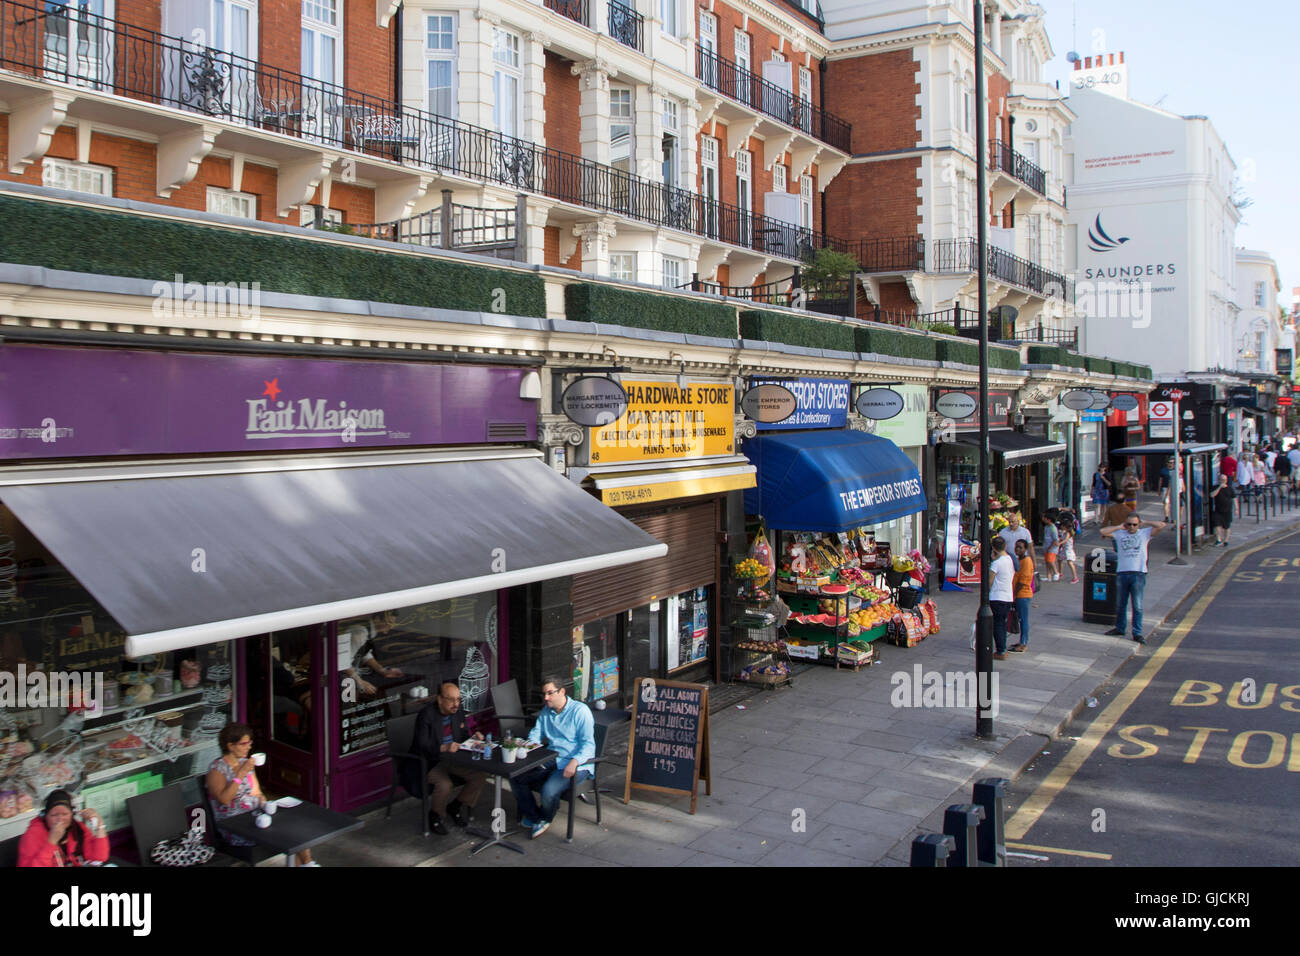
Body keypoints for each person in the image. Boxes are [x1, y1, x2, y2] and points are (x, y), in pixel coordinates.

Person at [207, 722, 316, 866]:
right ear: (230, 746)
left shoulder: (245, 763)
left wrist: (266, 804)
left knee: (295, 826)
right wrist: (241, 773)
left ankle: (308, 863)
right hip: (234, 824)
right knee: (288, 835)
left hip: (256, 816)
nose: (249, 746)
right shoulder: (217, 769)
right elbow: (224, 800)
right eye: (244, 743)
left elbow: (257, 793)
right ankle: (307, 864)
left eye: (250, 742)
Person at [510, 677, 595, 839]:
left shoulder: (580, 711)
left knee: (548, 790)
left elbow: (588, 745)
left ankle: (546, 817)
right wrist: (527, 747)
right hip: (551, 757)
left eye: (550, 693)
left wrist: (575, 762)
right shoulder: (546, 711)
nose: (546, 698)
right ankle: (536, 817)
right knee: (516, 776)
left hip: (575, 762)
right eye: (544, 694)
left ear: (562, 692)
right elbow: (536, 733)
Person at [407, 680, 489, 835]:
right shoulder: (426, 715)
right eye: (451, 700)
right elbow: (421, 745)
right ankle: (435, 816)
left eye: (458, 699)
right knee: (445, 784)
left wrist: (473, 738)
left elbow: (463, 736)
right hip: (430, 762)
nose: (456, 704)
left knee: (479, 776)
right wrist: (444, 747)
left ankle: (455, 806)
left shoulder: (458, 713)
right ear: (439, 699)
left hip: (453, 759)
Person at [1100, 513, 1169, 645]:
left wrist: (1146, 522)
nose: (1131, 527)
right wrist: (1119, 526)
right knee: (1121, 604)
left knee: (1137, 606)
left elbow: (1162, 525)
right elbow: (1103, 531)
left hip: (1138, 573)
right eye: (1129, 524)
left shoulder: (1145, 533)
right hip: (1122, 573)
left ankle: (1137, 633)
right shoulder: (1120, 533)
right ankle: (1120, 628)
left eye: (1134, 524)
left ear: (1138, 524)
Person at [18, 789, 109, 867]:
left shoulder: (78, 828)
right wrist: (51, 842)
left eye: (65, 814)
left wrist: (99, 825)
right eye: (54, 815)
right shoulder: (32, 835)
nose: (60, 819)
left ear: (71, 814)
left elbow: (99, 857)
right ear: (45, 816)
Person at [338, 612, 403, 696]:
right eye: (389, 622)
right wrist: (360, 683)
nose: (391, 626)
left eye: (393, 623)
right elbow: (343, 662)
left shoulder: (370, 629)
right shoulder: (360, 633)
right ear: (377, 619)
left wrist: (382, 670)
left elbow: (364, 652)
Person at [988, 538, 1015, 661]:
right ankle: (1003, 648)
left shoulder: (996, 563)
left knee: (998, 624)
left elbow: (990, 581)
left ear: (994, 548)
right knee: (1002, 623)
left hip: (997, 597)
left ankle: (1000, 651)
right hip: (1008, 596)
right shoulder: (1009, 559)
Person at [1009, 540, 1034, 652]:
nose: (1017, 549)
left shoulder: (1027, 561)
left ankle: (1023, 643)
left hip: (1022, 595)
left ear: (1025, 549)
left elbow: (1022, 581)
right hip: (1018, 594)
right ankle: (1021, 641)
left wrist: (1014, 596)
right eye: (1016, 547)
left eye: (1020, 547)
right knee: (1020, 618)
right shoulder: (1019, 560)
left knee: (1023, 619)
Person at [1210, 472, 1235, 547]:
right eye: (1221, 480)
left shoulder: (1230, 488)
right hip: (1218, 509)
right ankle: (1218, 539)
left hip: (1227, 510)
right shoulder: (1215, 487)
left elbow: (1234, 498)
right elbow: (1212, 495)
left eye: (1224, 480)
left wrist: (1236, 508)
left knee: (1226, 526)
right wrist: (1219, 487)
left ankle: (1226, 540)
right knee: (1217, 524)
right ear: (1219, 480)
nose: (1223, 481)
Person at [1041, 513, 1060, 582]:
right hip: (1046, 546)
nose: (1043, 519)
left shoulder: (1053, 528)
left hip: (1052, 548)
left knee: (1050, 560)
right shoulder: (1046, 527)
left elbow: (1055, 540)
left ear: (1049, 520)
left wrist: (1050, 548)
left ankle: (1056, 573)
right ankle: (1048, 576)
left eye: (1045, 518)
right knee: (1047, 562)